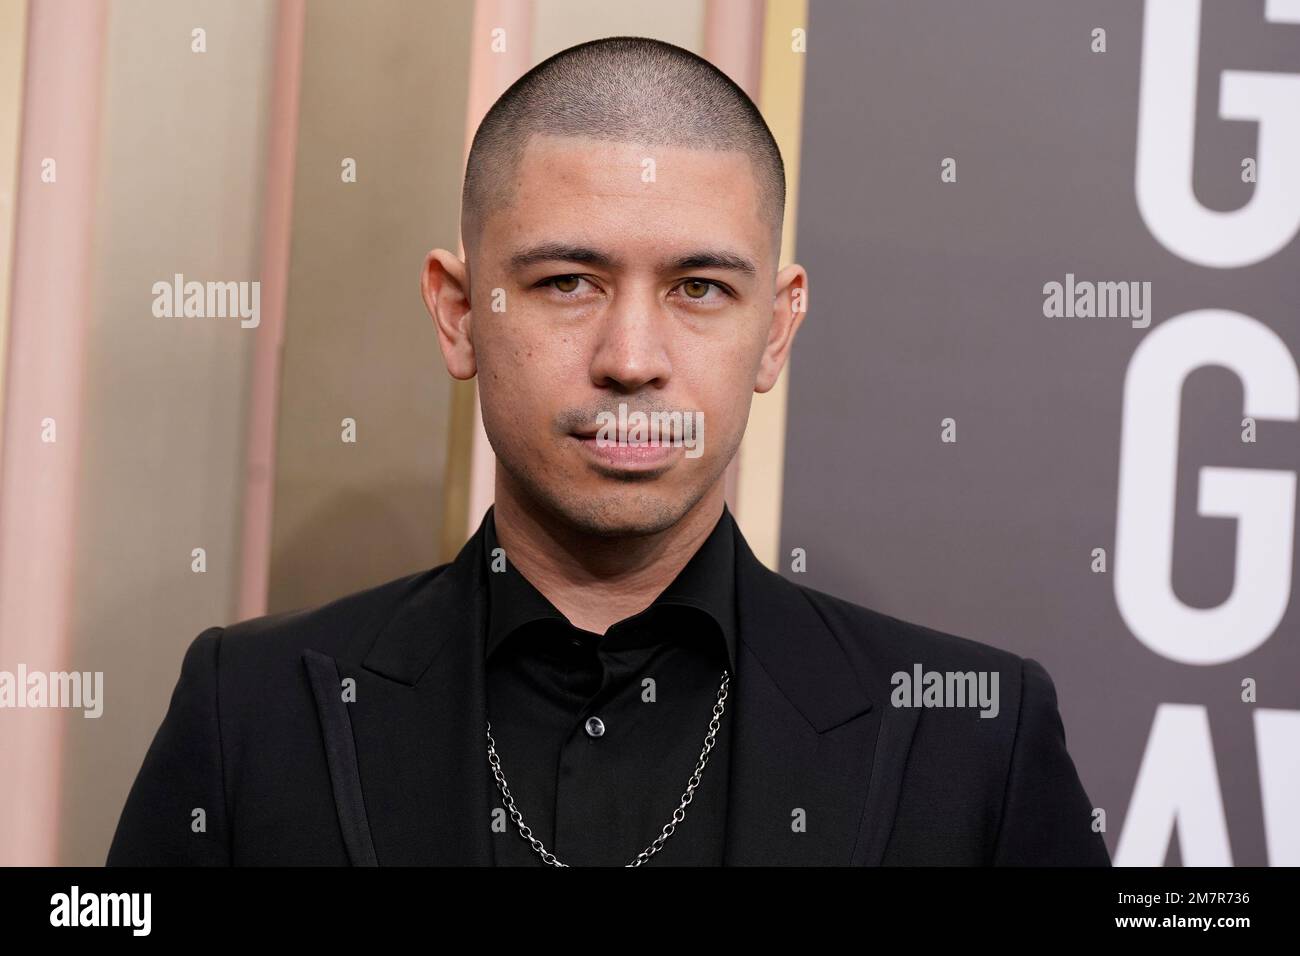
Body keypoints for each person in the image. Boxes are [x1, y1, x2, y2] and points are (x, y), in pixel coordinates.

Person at [107, 36, 1109, 866]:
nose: (632, 360)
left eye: (700, 288)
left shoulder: (974, 740)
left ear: (776, 327)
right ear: (459, 314)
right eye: (566, 282)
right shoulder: (250, 711)